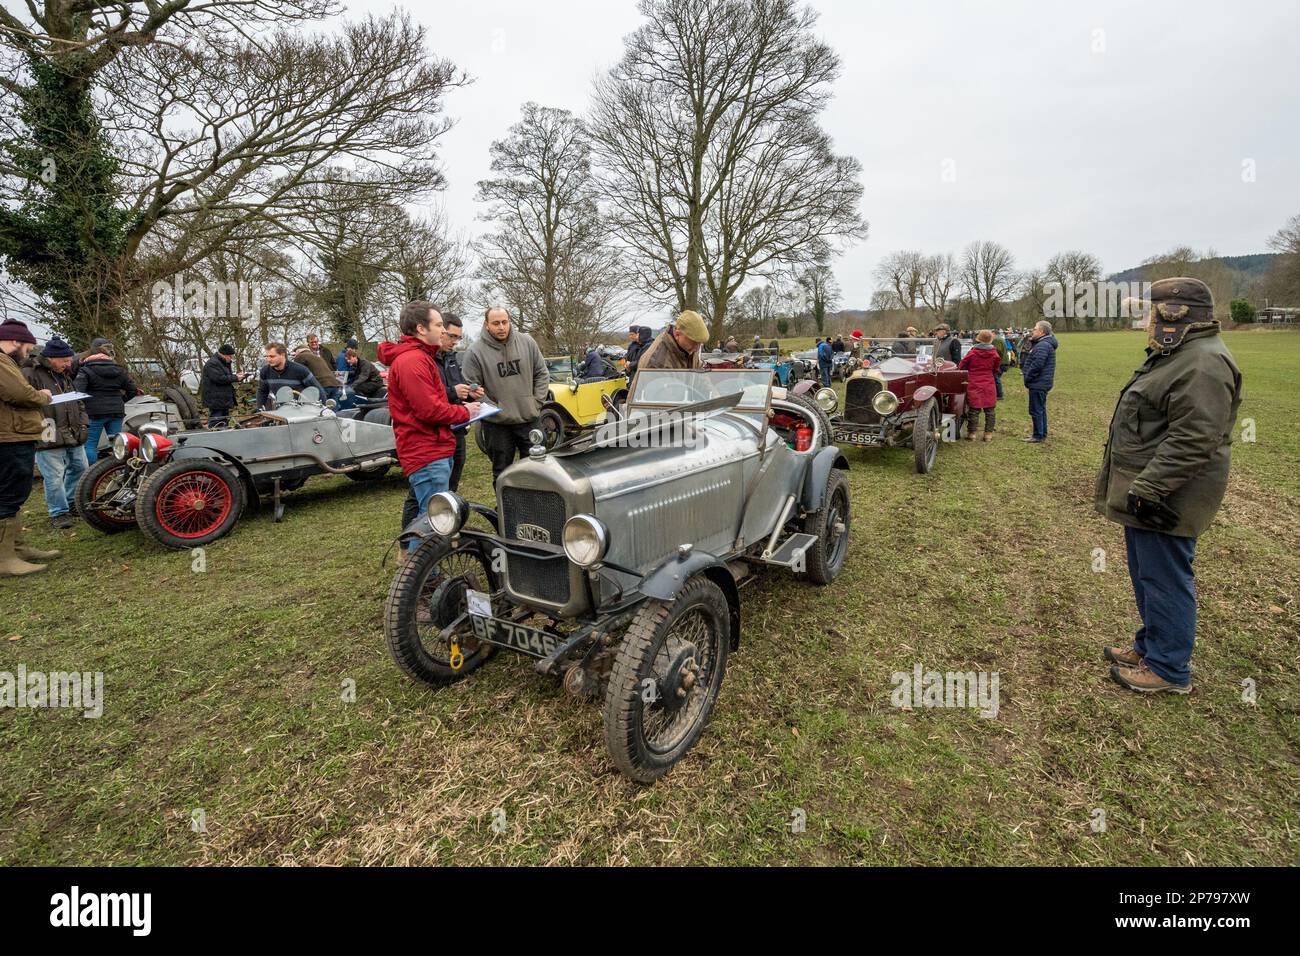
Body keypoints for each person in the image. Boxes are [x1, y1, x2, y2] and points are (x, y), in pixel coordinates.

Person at [1097, 278, 1242, 695]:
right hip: (1148, 489)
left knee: (1165, 579)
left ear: (1173, 316)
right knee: (1147, 574)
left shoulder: (1202, 362)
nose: (1145, 320)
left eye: (1151, 311)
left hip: (1165, 494)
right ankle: (1150, 646)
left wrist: (1149, 488)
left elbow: (1195, 438)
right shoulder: (1178, 355)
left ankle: (1168, 668)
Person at [379, 302, 479, 549]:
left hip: (433, 446)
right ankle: (423, 580)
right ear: (421, 329)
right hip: (426, 449)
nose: (443, 331)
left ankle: (424, 574)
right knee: (432, 518)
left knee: (434, 514)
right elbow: (429, 409)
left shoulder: (421, 358)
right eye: (438, 325)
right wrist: (464, 411)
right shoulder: (413, 361)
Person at [461, 305, 549, 486]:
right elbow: (472, 388)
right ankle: (506, 511)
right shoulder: (475, 352)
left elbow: (542, 373)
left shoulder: (527, 342)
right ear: (486, 325)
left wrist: (536, 402)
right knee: (503, 473)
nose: (501, 327)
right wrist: (494, 410)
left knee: (537, 469)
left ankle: (537, 510)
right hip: (497, 425)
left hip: (529, 419)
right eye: (496, 323)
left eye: (504, 322)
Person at [0, 319, 58, 576]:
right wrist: (42, 396)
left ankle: (16, 548)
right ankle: (4, 559)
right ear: (15, 341)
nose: (28, 352)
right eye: (28, 346)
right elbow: (20, 394)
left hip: (13, 433)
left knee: (13, 495)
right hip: (9, 436)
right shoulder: (1, 362)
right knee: (8, 494)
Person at [23, 337, 88, 528]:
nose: (69, 364)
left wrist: (83, 422)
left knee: (80, 468)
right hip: (48, 430)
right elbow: (24, 401)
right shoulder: (30, 374)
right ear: (51, 358)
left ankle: (71, 503)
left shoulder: (65, 374)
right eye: (65, 360)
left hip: (73, 430)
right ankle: (58, 512)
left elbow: (78, 401)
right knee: (53, 476)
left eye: (69, 360)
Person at [73, 341, 138, 464]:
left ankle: (91, 475)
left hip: (94, 412)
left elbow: (78, 392)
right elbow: (133, 390)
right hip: (116, 412)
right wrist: (120, 401)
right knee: (117, 444)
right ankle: (119, 470)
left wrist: (85, 406)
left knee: (90, 445)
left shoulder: (85, 370)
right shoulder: (120, 370)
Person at [635, 310, 710, 375]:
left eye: (700, 343)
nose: (697, 348)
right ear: (677, 334)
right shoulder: (657, 362)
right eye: (694, 342)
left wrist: (712, 391)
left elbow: (700, 376)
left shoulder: (689, 349)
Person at [958, 330, 1001, 441]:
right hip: (988, 382)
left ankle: (972, 433)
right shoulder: (994, 353)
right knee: (990, 410)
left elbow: (962, 365)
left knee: (974, 409)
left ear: (978, 339)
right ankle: (988, 434)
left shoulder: (972, 352)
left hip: (974, 381)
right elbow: (996, 368)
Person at [1020, 320, 1058, 443]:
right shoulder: (1043, 344)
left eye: (1035, 329)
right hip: (1041, 382)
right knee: (1040, 408)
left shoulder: (1043, 345)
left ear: (1041, 331)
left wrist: (1028, 377)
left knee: (1036, 409)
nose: (1032, 331)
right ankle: (1041, 433)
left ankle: (1038, 435)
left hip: (1039, 382)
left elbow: (1037, 365)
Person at [256, 343, 321, 409]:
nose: (268, 360)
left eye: (272, 356)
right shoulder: (265, 371)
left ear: (282, 355)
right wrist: (260, 409)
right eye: (267, 356)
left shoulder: (300, 370)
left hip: (302, 411)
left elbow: (318, 390)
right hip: (281, 410)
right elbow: (262, 391)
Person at [199, 344, 239, 427]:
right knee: (216, 421)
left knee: (224, 420)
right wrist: (236, 377)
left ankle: (223, 436)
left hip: (222, 398)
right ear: (224, 354)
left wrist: (236, 376)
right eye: (230, 356)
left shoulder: (222, 363)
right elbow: (219, 378)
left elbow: (225, 375)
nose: (231, 358)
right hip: (216, 399)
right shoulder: (212, 363)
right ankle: (214, 437)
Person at [991, 330, 1009, 400]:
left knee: (996, 378)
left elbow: (997, 350)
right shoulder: (1001, 339)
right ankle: (997, 393)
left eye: (991, 334)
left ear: (994, 334)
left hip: (1001, 362)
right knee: (996, 377)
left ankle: (999, 394)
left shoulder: (996, 339)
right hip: (1004, 361)